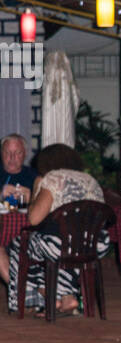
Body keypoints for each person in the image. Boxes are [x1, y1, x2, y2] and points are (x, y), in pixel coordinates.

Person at [1, 144, 110, 315]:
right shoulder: (90, 180)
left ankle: (41, 299)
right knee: (45, 246)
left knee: (20, 245)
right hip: (95, 243)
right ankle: (66, 298)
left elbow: (33, 219)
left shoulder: (53, 179)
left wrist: (36, 191)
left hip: (63, 244)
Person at [1, 133, 37, 205]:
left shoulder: (35, 177)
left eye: (18, 153)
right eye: (7, 152)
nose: (12, 157)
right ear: (1, 153)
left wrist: (31, 199)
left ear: (25, 154)